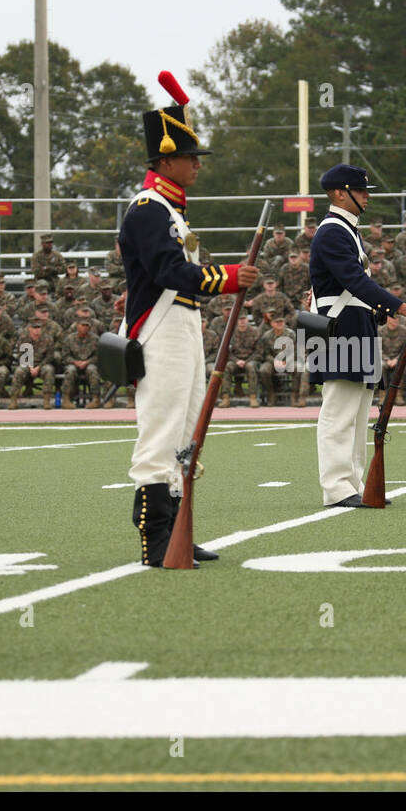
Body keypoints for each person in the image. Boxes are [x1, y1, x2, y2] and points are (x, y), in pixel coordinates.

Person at [119, 84, 257, 566]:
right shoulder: (147, 210)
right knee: (161, 433)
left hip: (183, 325)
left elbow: (186, 274)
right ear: (165, 160)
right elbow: (170, 273)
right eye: (190, 156)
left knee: (187, 431)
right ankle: (156, 538)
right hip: (159, 330)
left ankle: (178, 528)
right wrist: (231, 277)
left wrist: (224, 279)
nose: (197, 163)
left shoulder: (172, 211)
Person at [308, 164, 406, 507]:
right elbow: (354, 281)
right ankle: (336, 487)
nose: (367, 196)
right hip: (338, 328)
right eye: (361, 191)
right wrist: (400, 307)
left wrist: (381, 309)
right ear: (340, 193)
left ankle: (352, 483)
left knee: (359, 412)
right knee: (340, 411)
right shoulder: (333, 231)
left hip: (354, 324)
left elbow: (353, 286)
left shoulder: (348, 231)